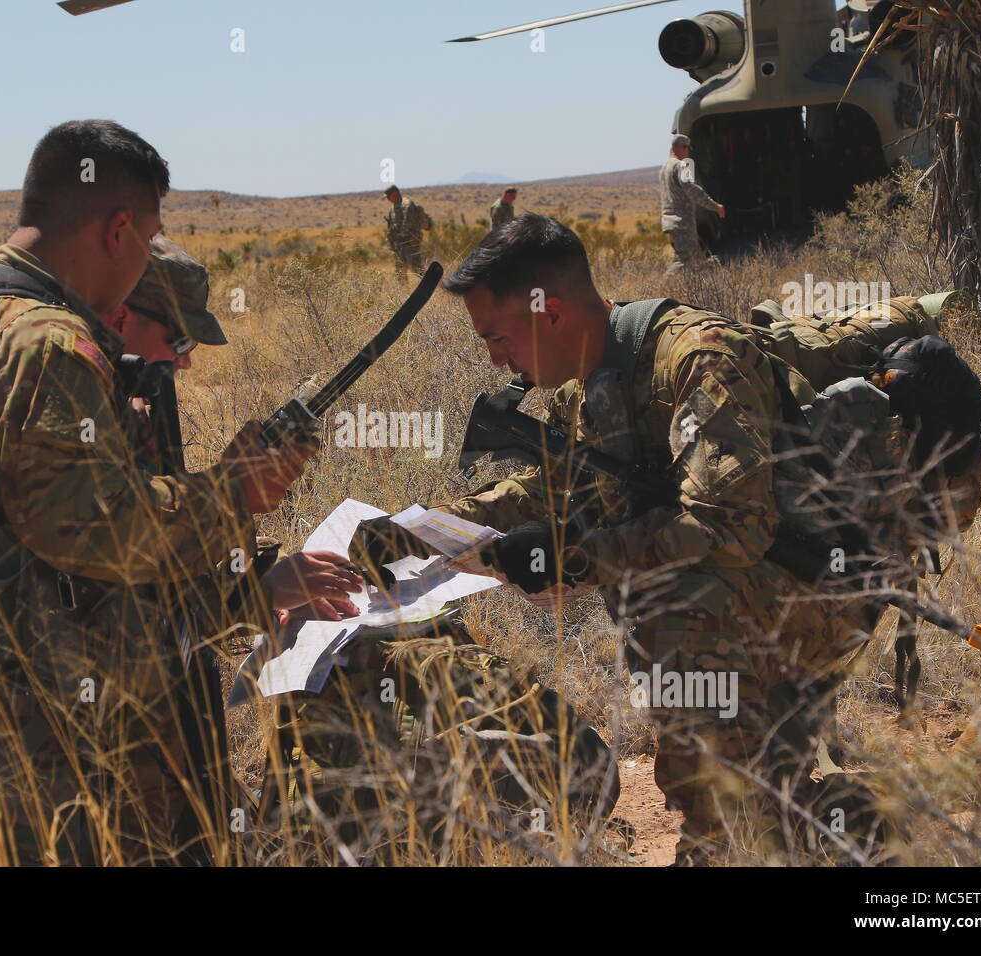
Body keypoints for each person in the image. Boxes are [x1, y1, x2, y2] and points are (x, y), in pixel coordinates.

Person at [0, 120, 359, 865]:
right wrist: (230, 493)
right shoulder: (43, 343)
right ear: (121, 229)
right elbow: (96, 532)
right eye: (150, 237)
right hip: (35, 756)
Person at [356, 214, 879, 864]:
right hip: (745, 603)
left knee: (676, 612)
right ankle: (824, 826)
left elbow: (729, 524)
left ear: (550, 316)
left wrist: (575, 562)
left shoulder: (697, 357)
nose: (493, 358)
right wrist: (426, 529)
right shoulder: (582, 385)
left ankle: (722, 837)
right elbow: (552, 490)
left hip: (815, 593)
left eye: (496, 337)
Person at [659, 134, 724, 274]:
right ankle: (664, 286)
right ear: (683, 148)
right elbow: (692, 190)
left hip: (670, 221)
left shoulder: (665, 168)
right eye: (688, 148)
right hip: (682, 223)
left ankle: (699, 288)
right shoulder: (681, 166)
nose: (688, 152)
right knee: (684, 260)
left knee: (696, 259)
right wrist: (714, 206)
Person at [383, 185, 433, 275]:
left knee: (415, 267)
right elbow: (391, 225)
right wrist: (391, 239)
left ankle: (430, 282)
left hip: (410, 241)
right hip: (399, 244)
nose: (387, 199)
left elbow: (407, 223)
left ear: (395, 194)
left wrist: (398, 235)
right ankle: (402, 288)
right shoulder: (393, 207)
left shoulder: (407, 205)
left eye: (388, 196)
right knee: (400, 268)